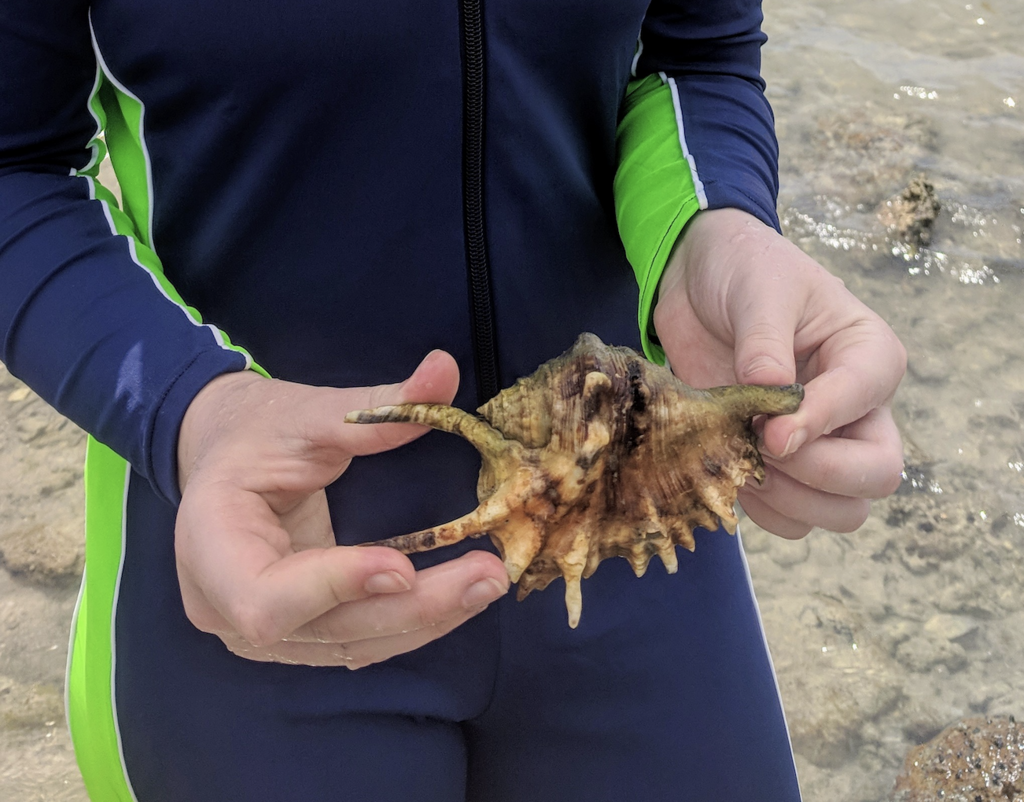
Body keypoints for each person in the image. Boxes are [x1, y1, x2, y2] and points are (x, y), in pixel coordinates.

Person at [0, 1, 905, 800]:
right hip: (265, 562)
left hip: (620, 528)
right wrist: (190, 409)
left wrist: (709, 229)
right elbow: (17, 167)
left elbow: (689, 55)